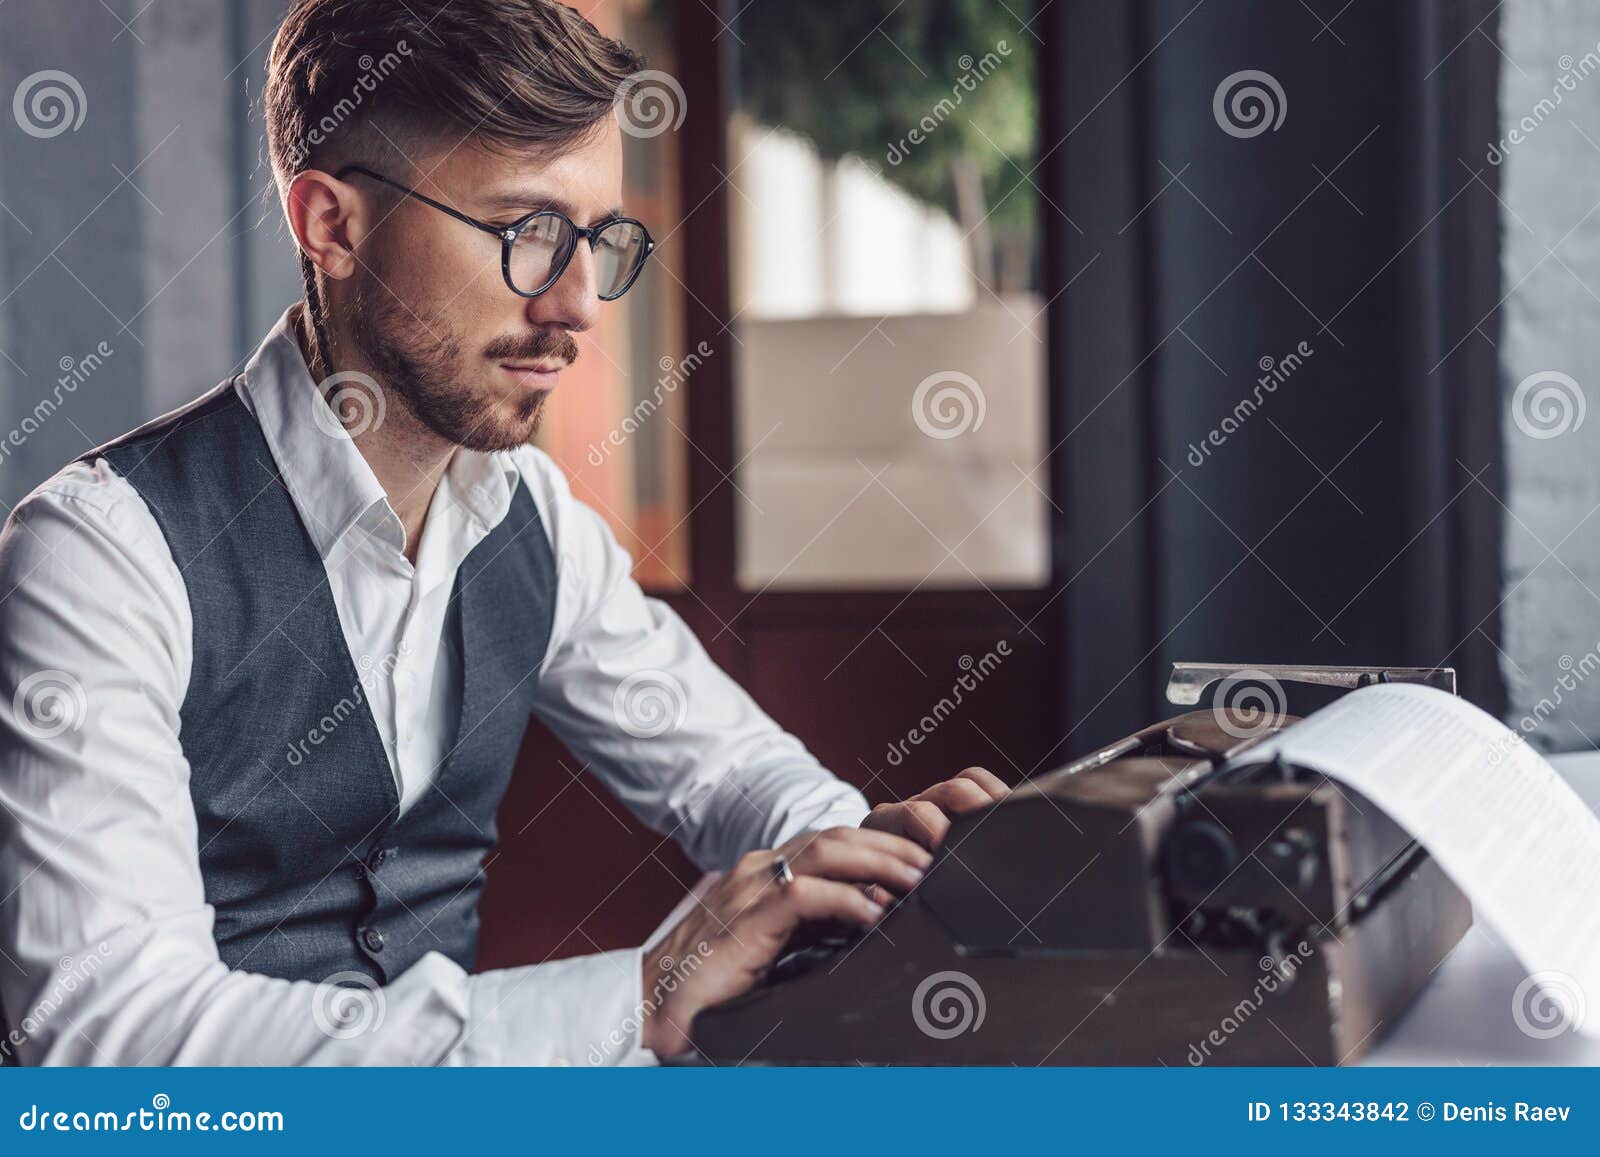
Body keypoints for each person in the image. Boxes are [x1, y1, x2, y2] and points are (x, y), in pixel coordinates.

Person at [0, 0, 1009, 1066]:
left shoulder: (532, 519)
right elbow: (102, 1035)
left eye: (600, 239)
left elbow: (733, 776)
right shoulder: (101, 554)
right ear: (330, 225)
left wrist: (870, 856)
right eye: (528, 232)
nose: (578, 302)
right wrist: (635, 1002)